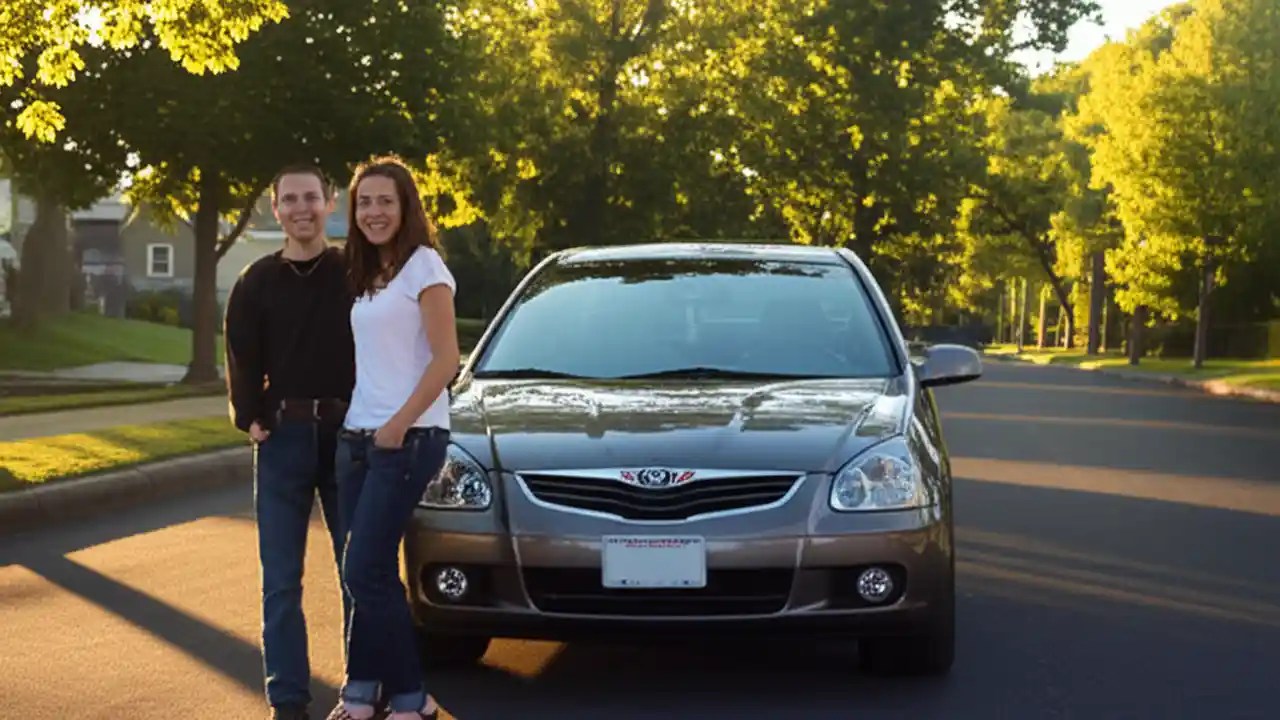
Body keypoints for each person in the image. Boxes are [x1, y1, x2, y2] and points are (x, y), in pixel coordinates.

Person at [325, 156, 459, 720]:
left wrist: (397, 424)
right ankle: (361, 691)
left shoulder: (424, 267)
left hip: (406, 439)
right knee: (368, 571)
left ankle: (410, 698)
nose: (374, 212)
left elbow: (447, 359)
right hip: (357, 438)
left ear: (405, 208)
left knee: (364, 571)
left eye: (385, 201)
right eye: (364, 202)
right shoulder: (366, 273)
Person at [224, 164, 355, 720]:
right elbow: (241, 354)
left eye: (312, 197)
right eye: (290, 199)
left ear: (330, 203)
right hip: (283, 438)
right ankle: (288, 700)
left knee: (360, 572)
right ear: (275, 210)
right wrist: (247, 416)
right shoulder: (256, 280)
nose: (302, 207)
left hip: (352, 438)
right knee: (281, 579)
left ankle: (362, 689)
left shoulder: (356, 271)